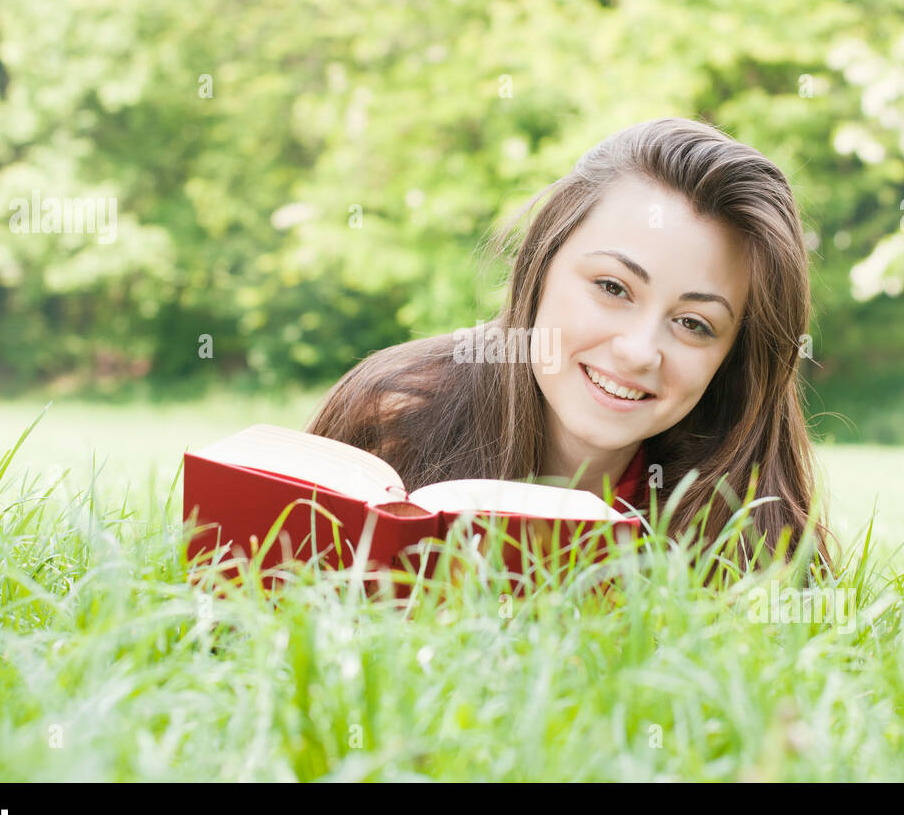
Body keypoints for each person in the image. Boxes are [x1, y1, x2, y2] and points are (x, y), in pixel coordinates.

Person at [306, 117, 835, 577]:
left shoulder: (744, 512)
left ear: (732, 359)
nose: (637, 351)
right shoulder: (396, 413)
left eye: (694, 323)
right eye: (612, 288)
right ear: (542, 264)